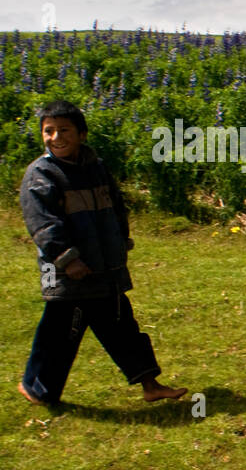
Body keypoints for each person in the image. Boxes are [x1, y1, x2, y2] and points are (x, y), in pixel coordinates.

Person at [18, 99, 187, 405]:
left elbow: (116, 208)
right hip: (64, 272)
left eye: (64, 130)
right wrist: (68, 259)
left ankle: (150, 384)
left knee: (123, 327)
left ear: (82, 134)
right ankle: (37, 389)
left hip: (103, 268)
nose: (57, 138)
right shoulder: (41, 174)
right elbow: (43, 225)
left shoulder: (96, 168)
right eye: (49, 131)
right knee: (59, 335)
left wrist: (121, 242)